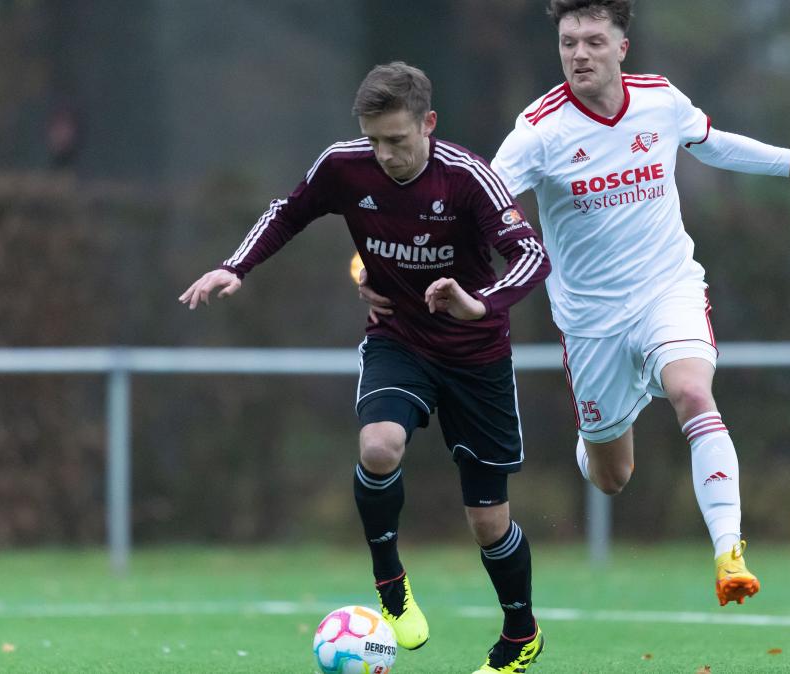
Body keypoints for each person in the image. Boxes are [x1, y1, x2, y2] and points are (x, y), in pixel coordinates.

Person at [360, 0, 790, 608]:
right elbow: (472, 207)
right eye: (568, 43)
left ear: (621, 48)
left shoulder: (660, 100)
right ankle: (598, 434)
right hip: (591, 324)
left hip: (667, 289)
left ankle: (729, 553)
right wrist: (394, 269)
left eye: (593, 41)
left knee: (693, 393)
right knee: (613, 477)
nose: (579, 54)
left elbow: (714, 144)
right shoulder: (540, 131)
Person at [180, 62, 550, 673]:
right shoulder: (343, 165)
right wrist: (234, 266)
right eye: (373, 139)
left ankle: (520, 635)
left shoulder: (468, 178)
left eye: (397, 140)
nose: (384, 155)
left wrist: (477, 303)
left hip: (476, 355)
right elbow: (288, 212)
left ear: (428, 124)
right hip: (399, 340)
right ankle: (389, 581)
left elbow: (531, 255)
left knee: (488, 522)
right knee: (379, 446)